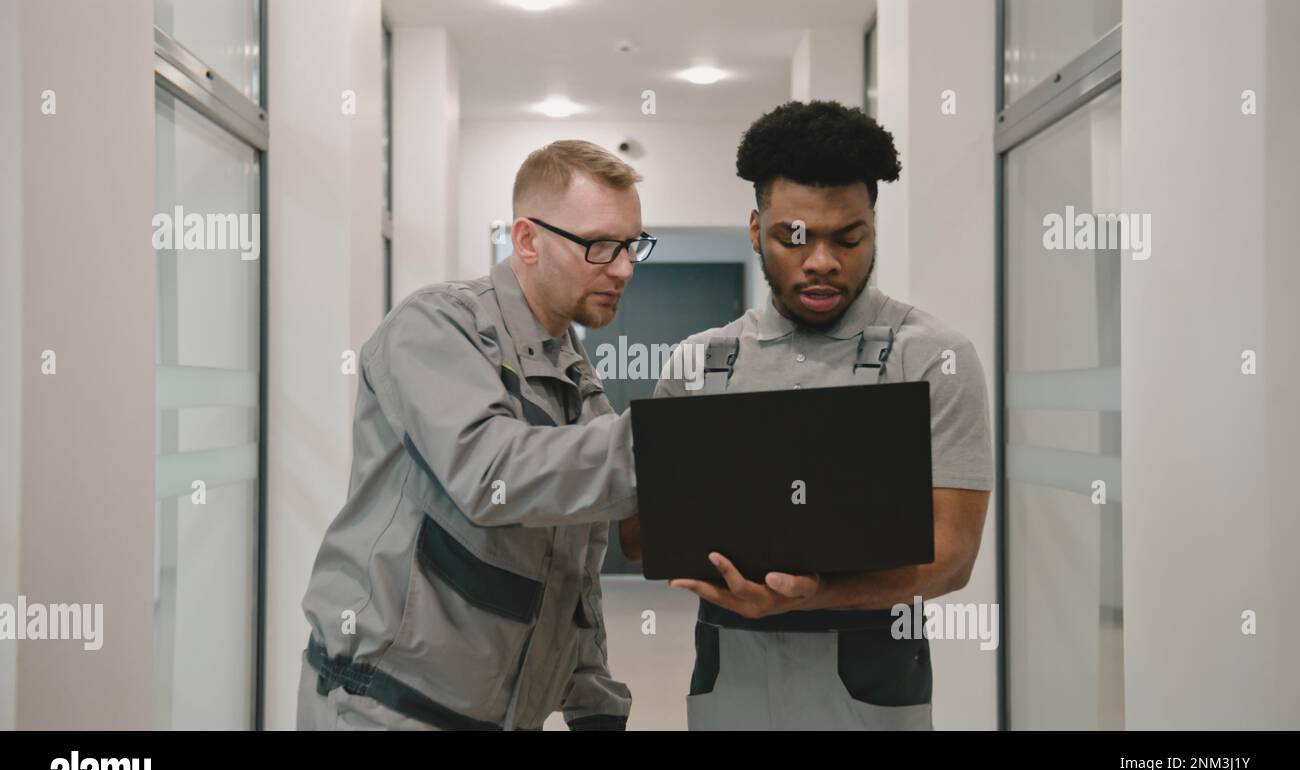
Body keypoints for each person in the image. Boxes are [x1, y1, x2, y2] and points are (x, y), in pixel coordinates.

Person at [622, 101, 993, 730]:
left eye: (848, 238)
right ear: (754, 229)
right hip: (729, 681)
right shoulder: (697, 363)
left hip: (872, 691)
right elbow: (640, 539)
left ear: (873, 226)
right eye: (794, 236)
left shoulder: (933, 357)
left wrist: (820, 594)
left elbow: (954, 559)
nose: (821, 261)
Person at [298, 140, 656, 730]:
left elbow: (574, 572)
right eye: (599, 246)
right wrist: (665, 441)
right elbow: (493, 476)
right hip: (384, 710)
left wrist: (596, 704)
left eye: (631, 245)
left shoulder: (578, 378)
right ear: (527, 240)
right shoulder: (435, 326)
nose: (622, 268)